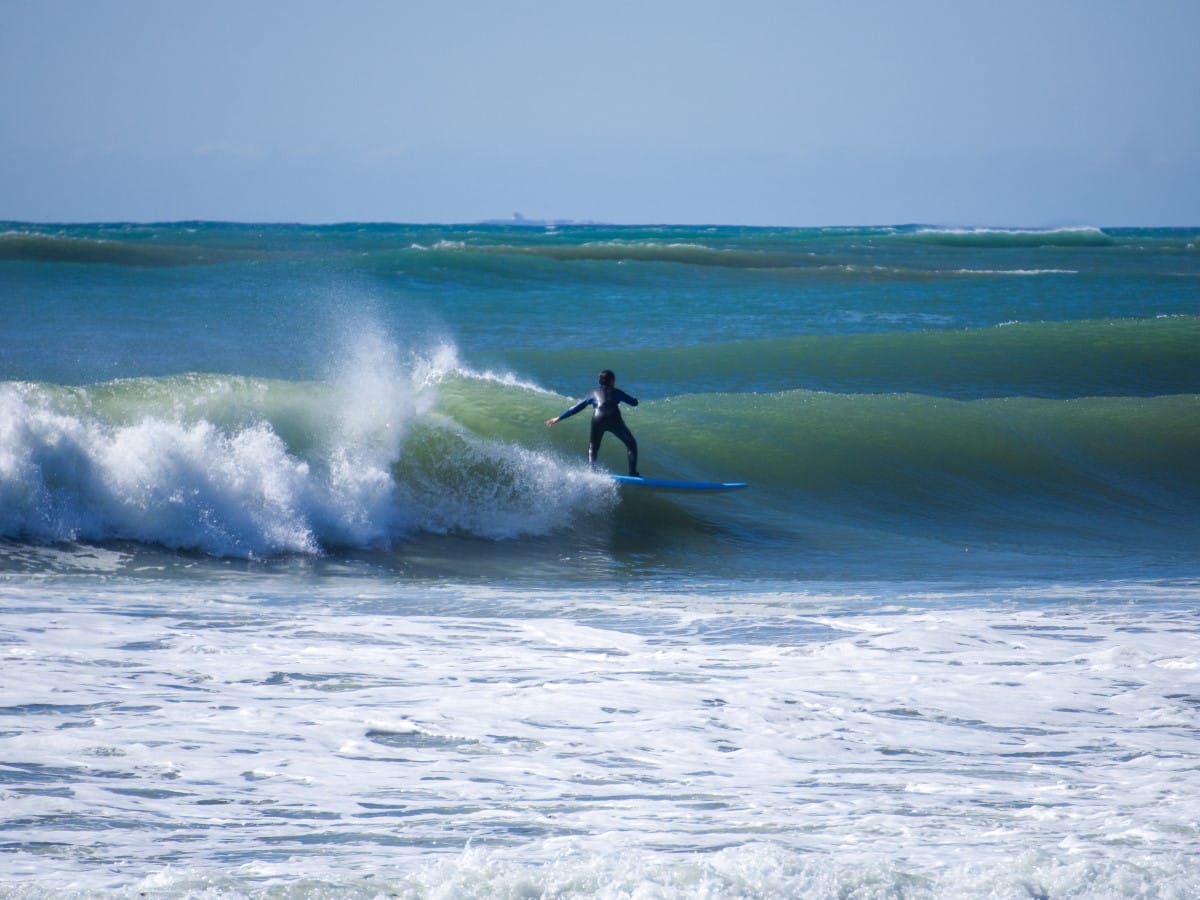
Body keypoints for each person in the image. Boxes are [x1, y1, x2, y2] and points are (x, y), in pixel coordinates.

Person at [546, 369, 640, 476]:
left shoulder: (592, 393)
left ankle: (592, 472)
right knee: (631, 444)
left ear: (600, 381)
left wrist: (559, 418)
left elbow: (577, 407)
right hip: (614, 418)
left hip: (598, 419)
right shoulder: (617, 392)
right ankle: (632, 472)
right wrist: (635, 400)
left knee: (593, 447)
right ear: (612, 381)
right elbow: (634, 403)